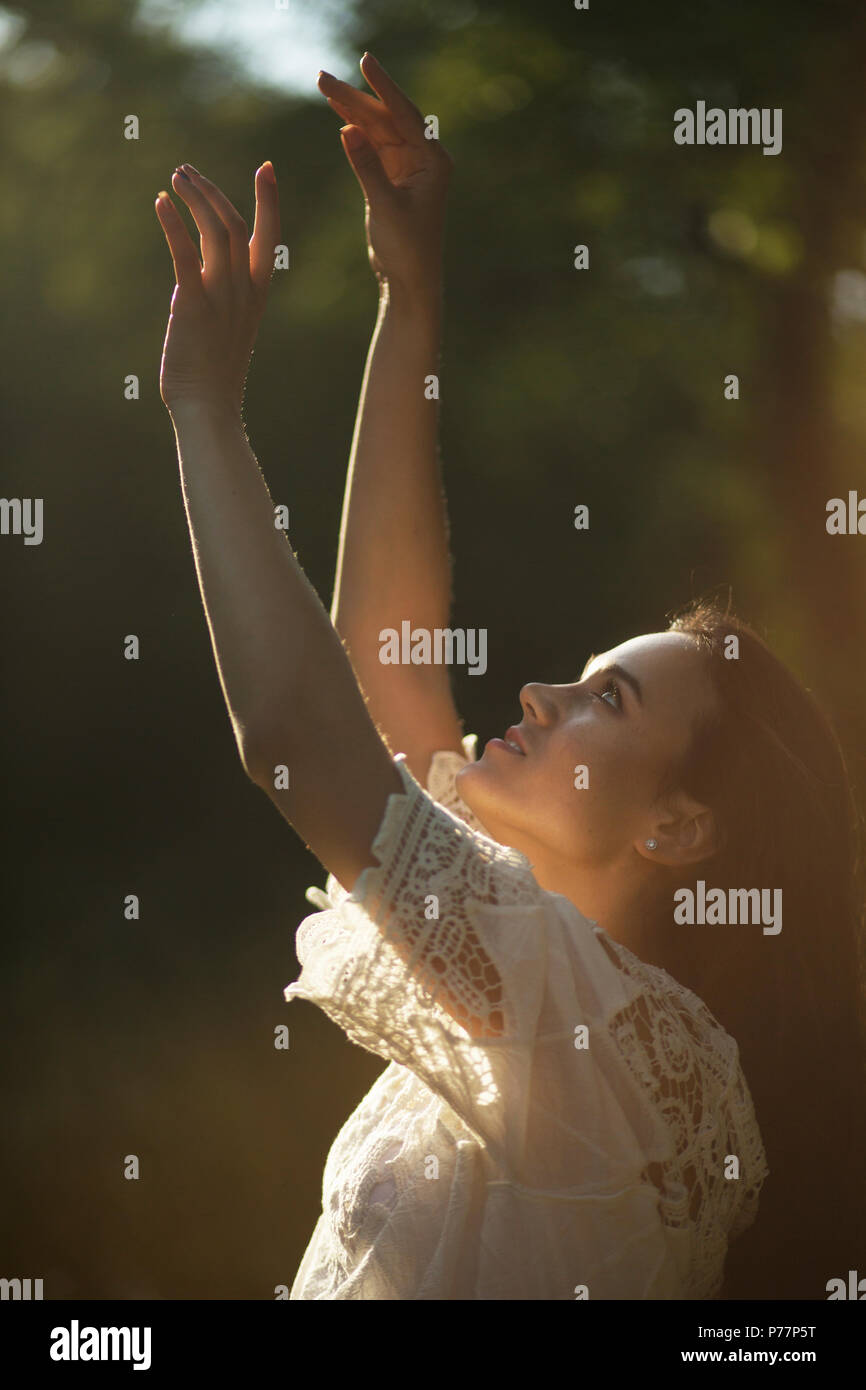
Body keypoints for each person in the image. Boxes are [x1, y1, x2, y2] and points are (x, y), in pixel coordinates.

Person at [155, 53, 866, 1300]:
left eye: (607, 699)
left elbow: (300, 734)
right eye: (583, 677)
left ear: (678, 824)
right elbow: (386, 669)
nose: (540, 694)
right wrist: (408, 292)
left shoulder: (622, 1045)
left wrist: (206, 413)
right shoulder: (539, 985)